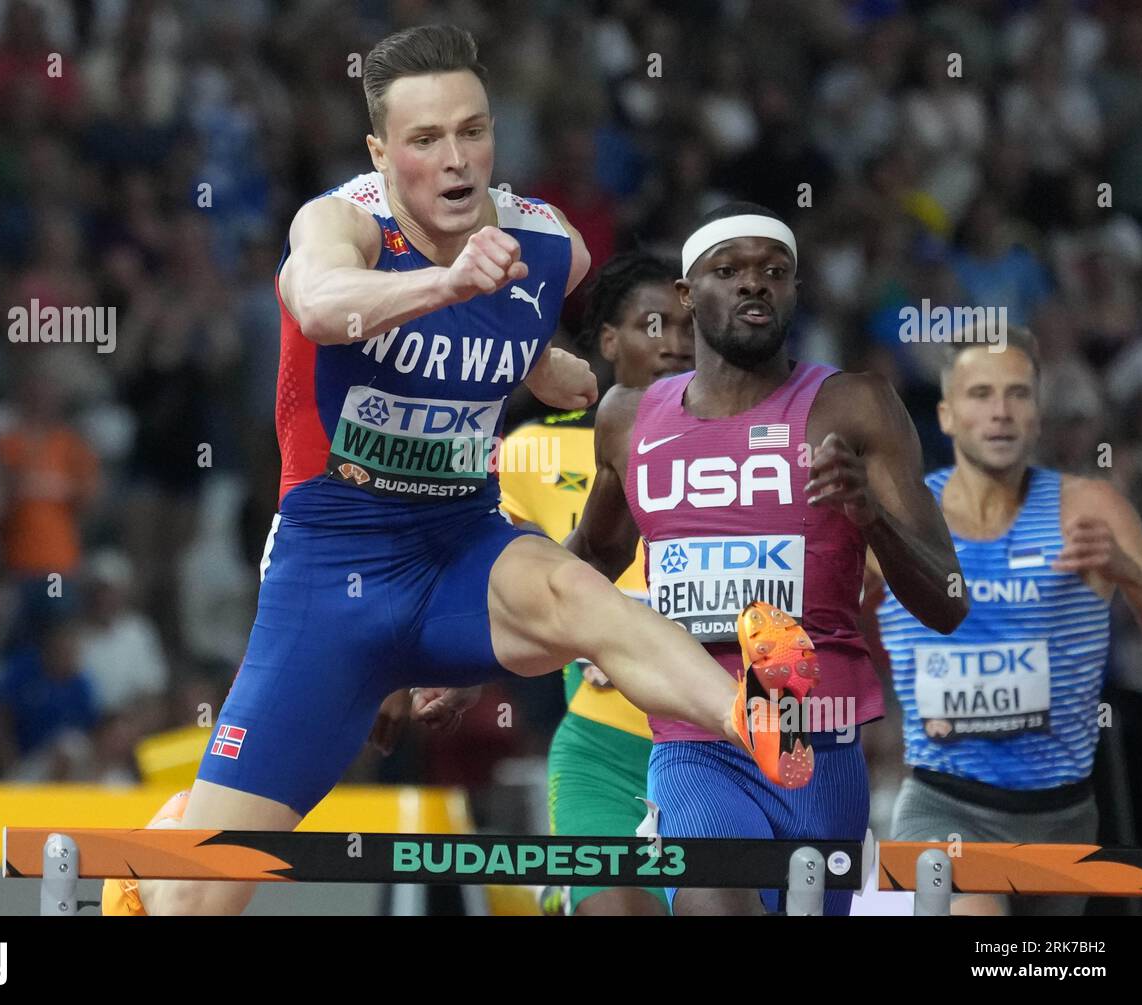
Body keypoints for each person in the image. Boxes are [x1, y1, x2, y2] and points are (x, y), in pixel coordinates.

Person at [118, 26, 794, 917]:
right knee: (194, 905)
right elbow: (319, 305)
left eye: (472, 132)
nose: (454, 159)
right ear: (380, 152)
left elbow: (513, 320)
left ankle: (754, 716)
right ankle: (170, 844)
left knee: (581, 599)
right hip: (332, 571)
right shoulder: (338, 222)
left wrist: (539, 361)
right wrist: (450, 287)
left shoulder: (548, 244)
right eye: (425, 139)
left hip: (461, 546)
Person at [569, 202, 968, 916]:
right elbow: (586, 563)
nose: (755, 284)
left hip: (823, 742)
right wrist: (477, 663)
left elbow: (948, 599)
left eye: (774, 272)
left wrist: (869, 517)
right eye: (730, 270)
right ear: (688, 298)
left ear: (793, 290)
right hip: (697, 736)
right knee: (709, 903)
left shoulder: (853, 406)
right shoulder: (628, 417)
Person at [873, 325, 1142, 916]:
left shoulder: (1090, 507)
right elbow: (825, 631)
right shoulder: (904, 519)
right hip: (942, 806)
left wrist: (1129, 571)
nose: (1000, 412)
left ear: (1037, 411)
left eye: (1018, 394)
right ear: (947, 414)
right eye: (980, 395)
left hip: (1065, 815)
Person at [501, 251, 693, 916]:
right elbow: (488, 581)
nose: (675, 343)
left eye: (689, 326)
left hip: (713, 752)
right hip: (601, 746)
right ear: (608, 340)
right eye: (652, 324)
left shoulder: (746, 452)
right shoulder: (532, 453)